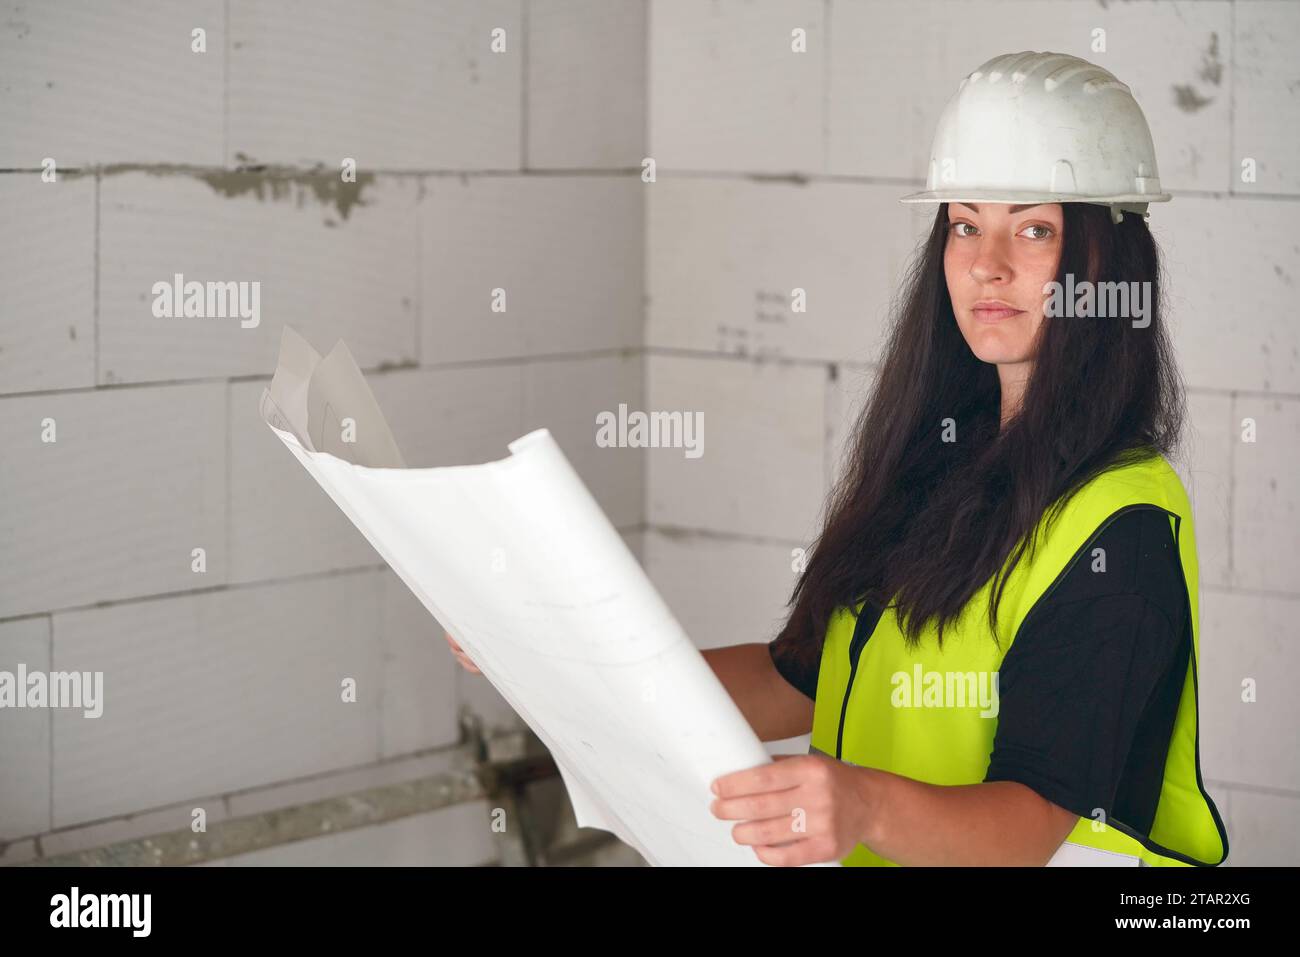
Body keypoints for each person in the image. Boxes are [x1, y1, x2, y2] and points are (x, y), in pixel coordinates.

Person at [447, 50, 1229, 868]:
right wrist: (553, 656)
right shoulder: (935, 465)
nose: (987, 264)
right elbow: (796, 681)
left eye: (1035, 229)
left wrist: (862, 802)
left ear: (1109, 261)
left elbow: (1032, 825)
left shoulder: (1122, 523)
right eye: (965, 224)